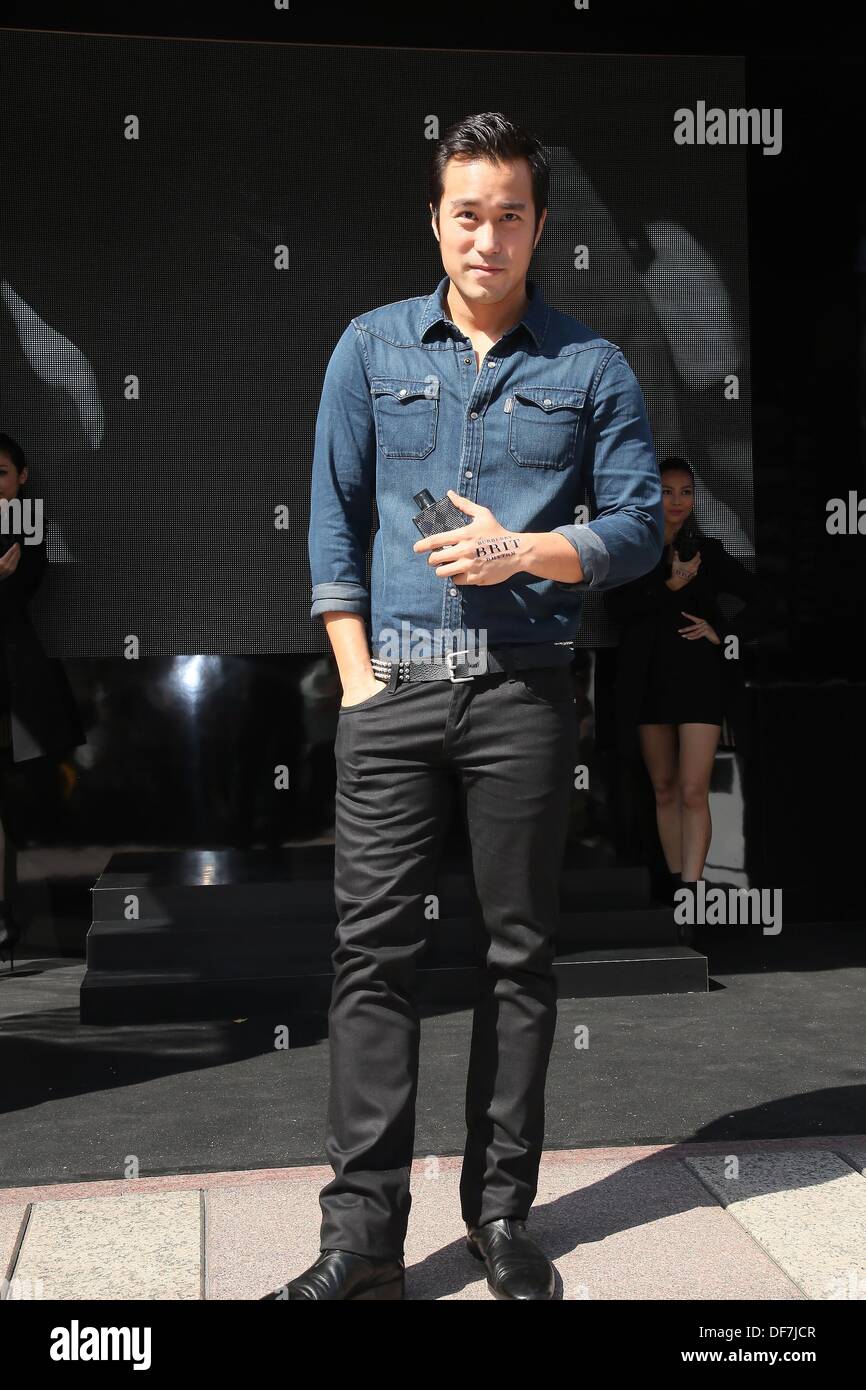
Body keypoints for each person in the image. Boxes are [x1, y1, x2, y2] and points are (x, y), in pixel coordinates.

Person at [265, 112, 663, 1302]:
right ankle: (361, 1238)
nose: (484, 237)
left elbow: (638, 527)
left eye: (508, 215)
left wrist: (525, 552)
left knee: (516, 958)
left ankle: (501, 1219)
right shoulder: (367, 349)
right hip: (389, 689)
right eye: (464, 213)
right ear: (435, 220)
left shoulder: (590, 367)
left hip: (521, 693)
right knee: (370, 955)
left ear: (540, 226)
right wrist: (354, 679)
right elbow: (332, 524)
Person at [604, 456, 772, 933]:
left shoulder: (710, 553)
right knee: (664, 788)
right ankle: (677, 886)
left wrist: (721, 630)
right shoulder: (633, 554)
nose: (677, 501)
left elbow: (764, 601)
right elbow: (617, 610)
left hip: (700, 680)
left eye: (686, 492)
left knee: (695, 789)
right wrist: (668, 585)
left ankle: (693, 897)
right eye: (667, 491)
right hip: (647, 682)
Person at [0, 432, 87, 970]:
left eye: (2, 475)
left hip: (20, 689)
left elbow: (20, 593)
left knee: (34, 809)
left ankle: (39, 925)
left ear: (22, 477)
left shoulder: (29, 529)